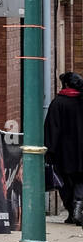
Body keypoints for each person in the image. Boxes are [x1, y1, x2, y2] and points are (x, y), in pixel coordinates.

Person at [45, 71, 83, 226]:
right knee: (81, 180)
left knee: (65, 182)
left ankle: (72, 210)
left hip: (64, 152)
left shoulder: (58, 103)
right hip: (81, 151)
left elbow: (51, 128)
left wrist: (49, 150)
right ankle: (79, 206)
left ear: (65, 84)